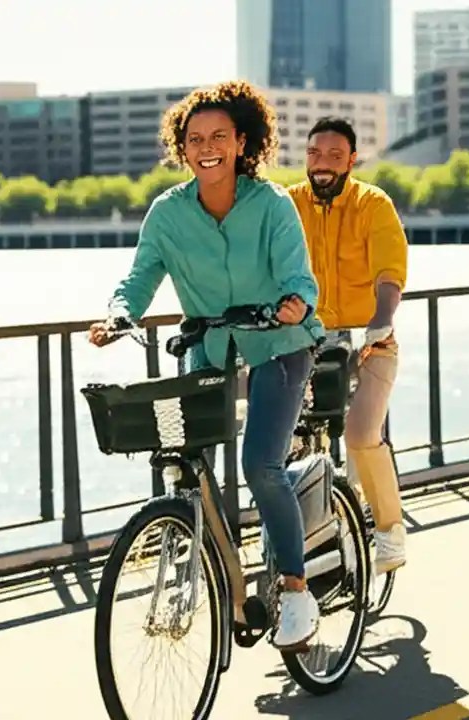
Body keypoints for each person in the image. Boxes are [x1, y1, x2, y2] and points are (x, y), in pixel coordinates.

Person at [88, 80, 326, 651]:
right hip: (210, 349)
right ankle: (203, 556)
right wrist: (120, 315)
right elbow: (141, 277)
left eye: (220, 136)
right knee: (184, 461)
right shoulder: (167, 214)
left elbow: (298, 275)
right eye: (195, 139)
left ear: (243, 142)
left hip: (280, 343)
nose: (207, 146)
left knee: (259, 465)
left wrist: (294, 302)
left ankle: (295, 589)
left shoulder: (270, 206)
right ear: (183, 148)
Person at [286, 116, 409, 575]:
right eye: (314, 154)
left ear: (351, 160)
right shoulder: (289, 204)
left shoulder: (372, 204)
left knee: (360, 433)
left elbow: (389, 271)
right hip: (307, 339)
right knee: (286, 438)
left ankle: (389, 529)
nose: (322, 164)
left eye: (334, 156)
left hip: (368, 337)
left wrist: (381, 320)